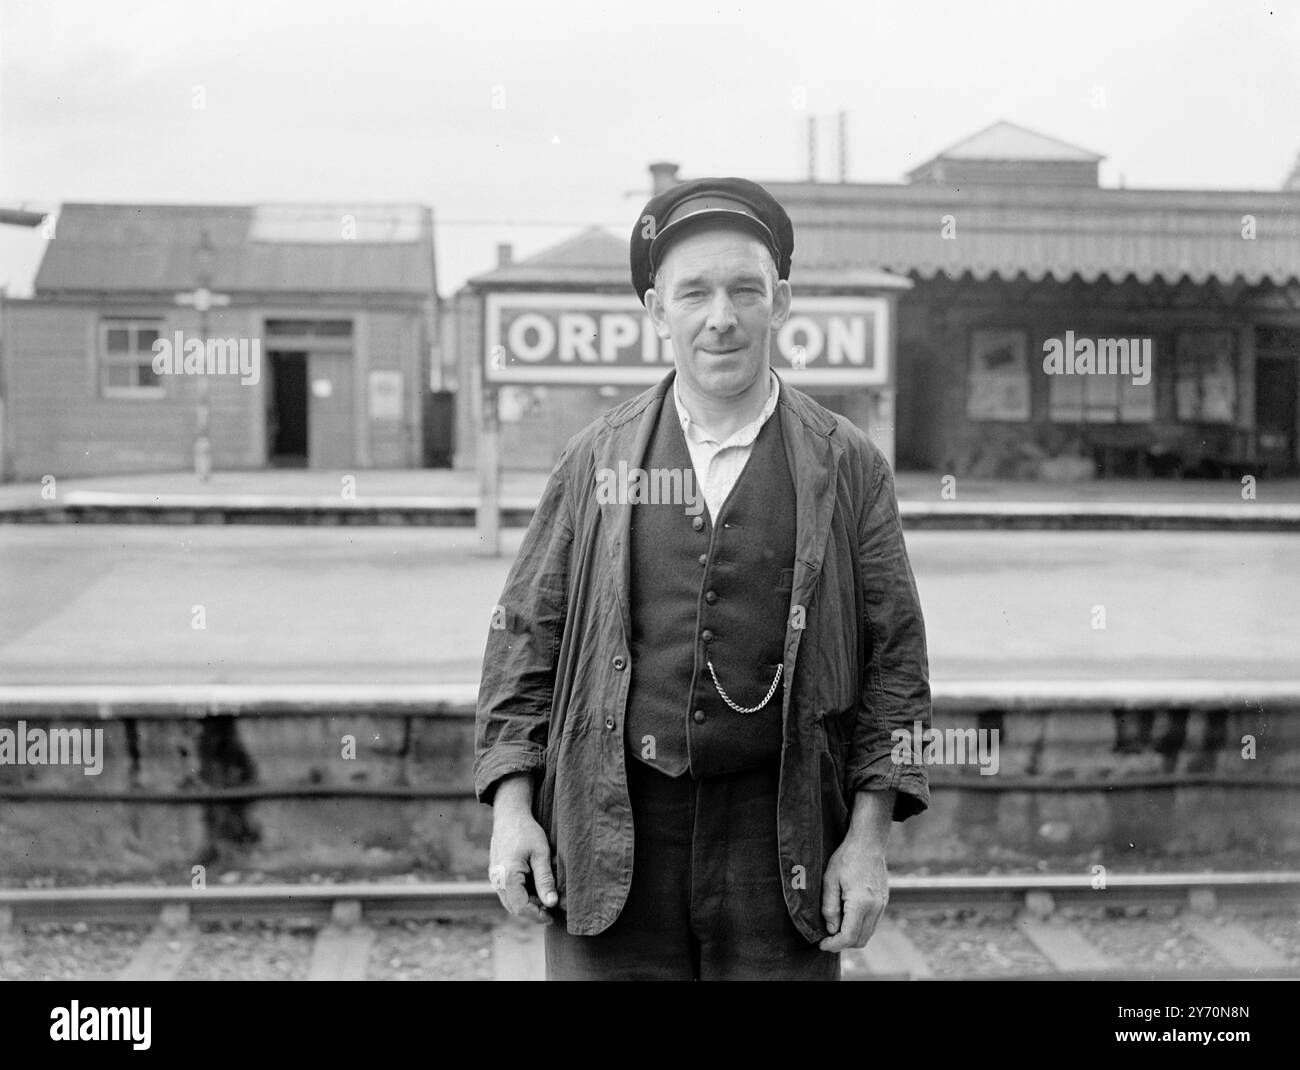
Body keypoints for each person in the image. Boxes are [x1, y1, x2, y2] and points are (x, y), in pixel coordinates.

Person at [475, 176, 932, 981]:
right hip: (613, 825)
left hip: (782, 832)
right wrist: (512, 808)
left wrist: (867, 840)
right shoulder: (597, 459)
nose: (721, 318)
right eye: (694, 294)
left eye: (744, 291)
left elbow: (895, 663)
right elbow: (524, 639)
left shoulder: (848, 463)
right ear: (658, 311)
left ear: (780, 302)